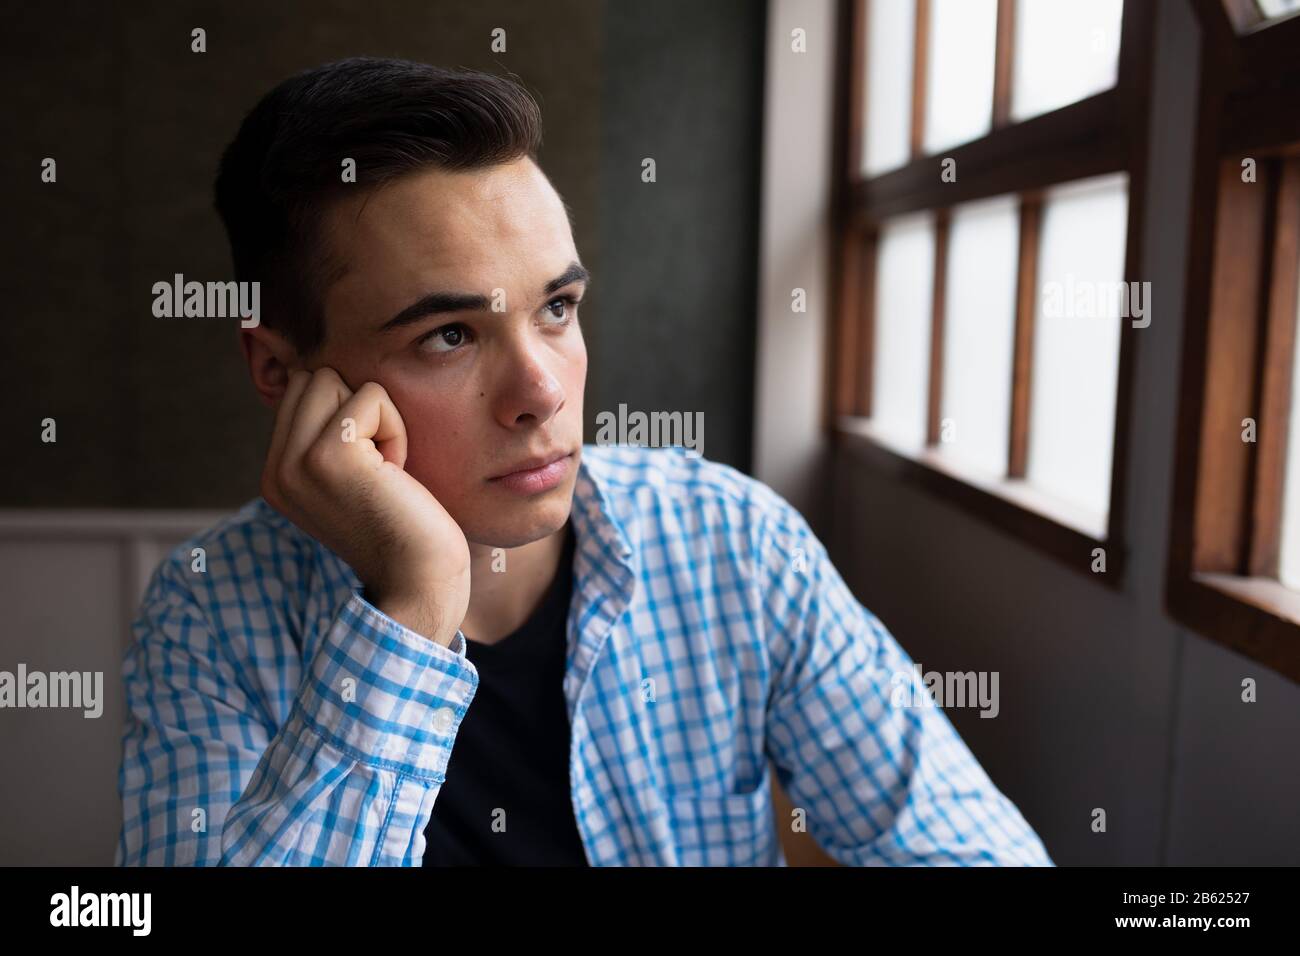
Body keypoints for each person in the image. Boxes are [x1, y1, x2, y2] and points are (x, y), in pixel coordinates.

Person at [114, 57, 1052, 866]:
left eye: (557, 309)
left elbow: (969, 847)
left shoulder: (733, 542)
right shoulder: (211, 614)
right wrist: (413, 605)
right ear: (283, 372)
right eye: (449, 334)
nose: (544, 392)